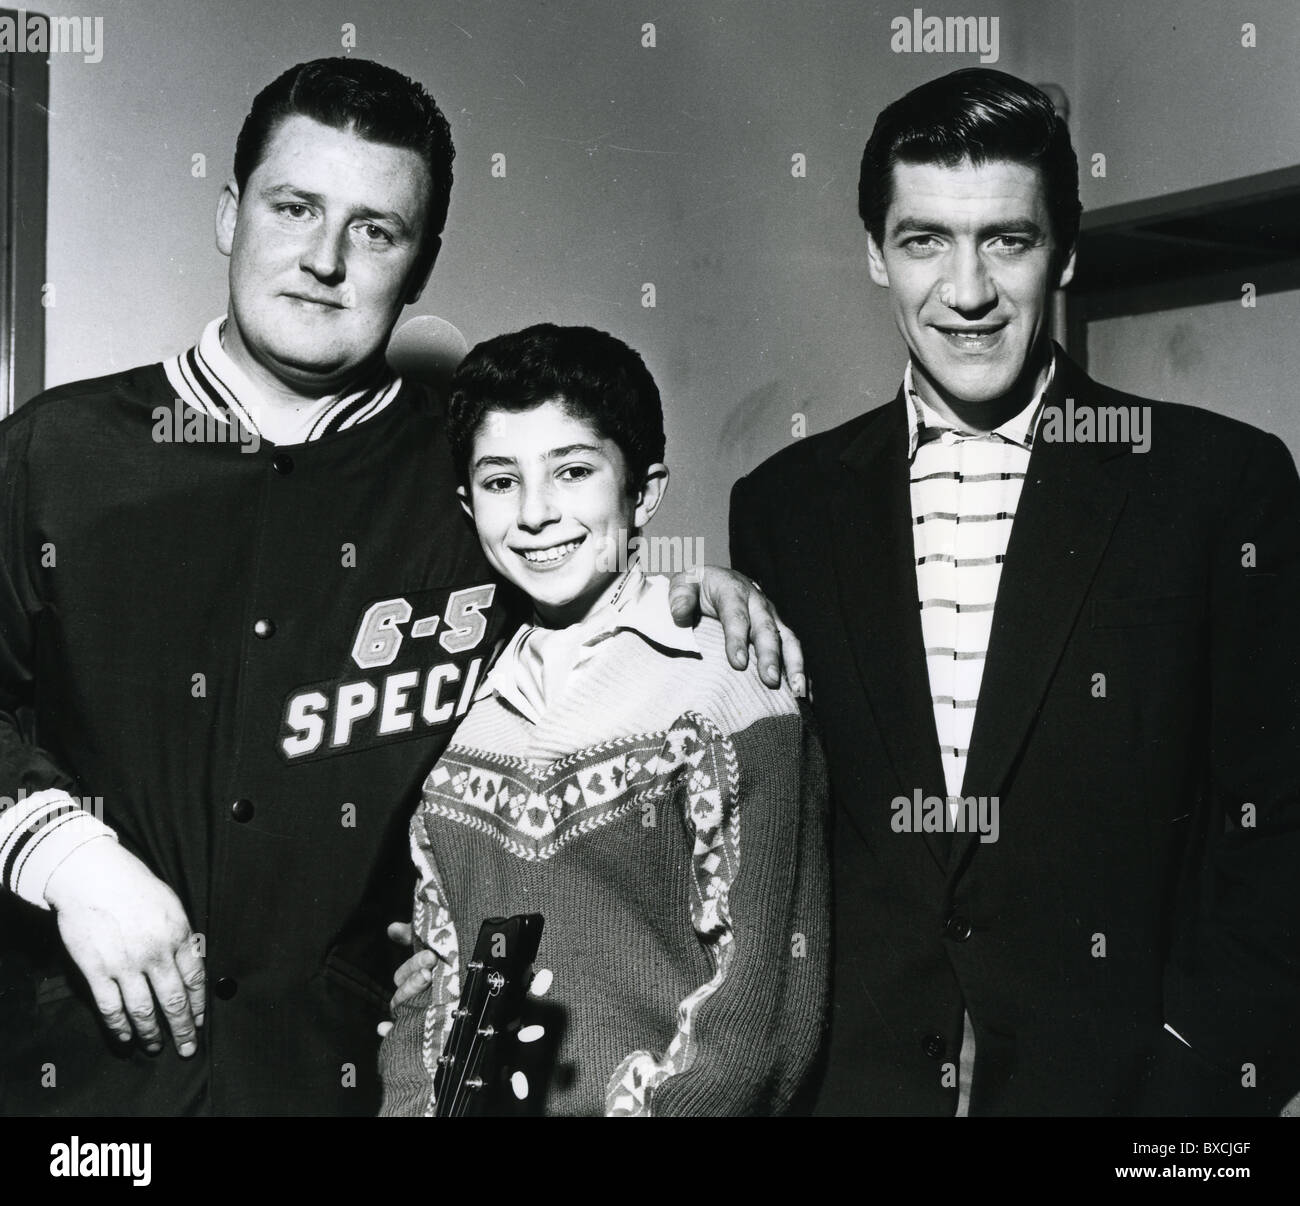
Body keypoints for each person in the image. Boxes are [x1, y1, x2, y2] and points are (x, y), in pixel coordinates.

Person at [0, 57, 792, 1117]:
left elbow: (585, 603)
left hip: (349, 1083)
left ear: (418, 266)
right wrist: (63, 854)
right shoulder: (58, 454)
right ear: (231, 215)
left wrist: (694, 590)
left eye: (375, 230)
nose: (324, 259)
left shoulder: (468, 488)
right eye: (294, 208)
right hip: (85, 1082)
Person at [729, 68, 1300, 1116]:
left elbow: (1277, 826)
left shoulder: (1219, 484)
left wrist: (1201, 1084)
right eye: (923, 241)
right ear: (873, 252)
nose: (967, 290)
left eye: (1007, 238)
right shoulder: (781, 508)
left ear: (1065, 251)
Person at [377, 324, 828, 1116]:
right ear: (466, 502)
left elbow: (755, 1015)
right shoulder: (457, 699)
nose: (536, 514)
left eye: (574, 472)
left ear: (644, 491)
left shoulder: (727, 678)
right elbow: (433, 988)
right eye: (499, 481)